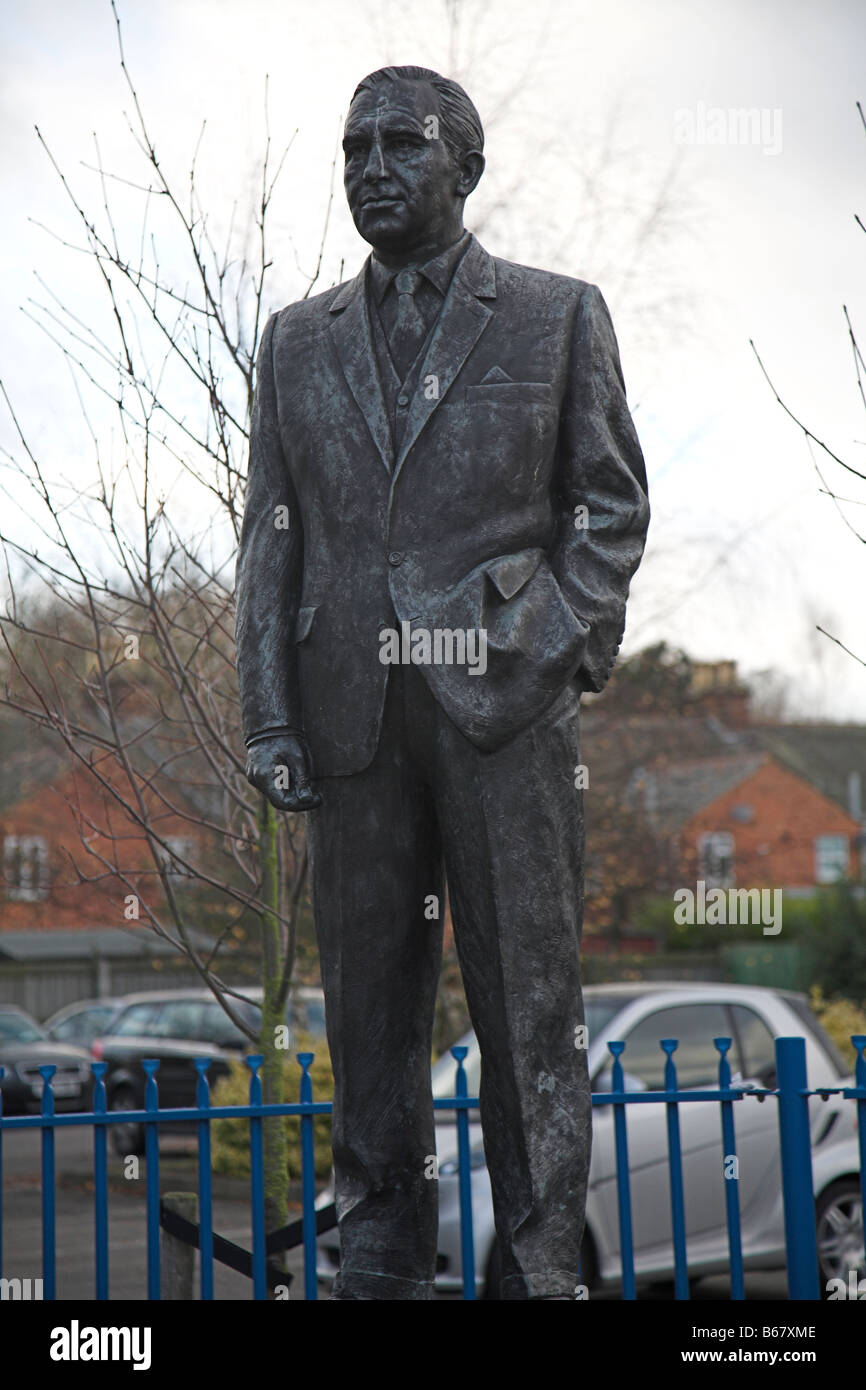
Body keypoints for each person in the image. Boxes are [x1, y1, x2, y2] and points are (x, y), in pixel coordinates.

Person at [236, 64, 649, 1300]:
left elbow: (610, 512)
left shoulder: (554, 314)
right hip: (350, 719)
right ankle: (378, 1263)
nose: (370, 168)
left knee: (528, 1014)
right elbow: (272, 533)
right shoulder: (294, 340)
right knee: (368, 1012)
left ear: (462, 167)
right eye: (352, 149)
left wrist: (531, 650)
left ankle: (535, 1273)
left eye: (398, 146)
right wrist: (267, 710)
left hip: (499, 715)